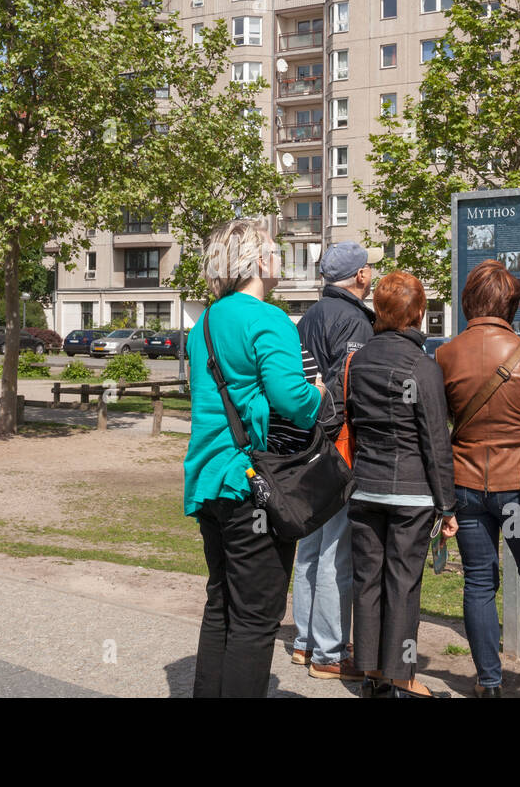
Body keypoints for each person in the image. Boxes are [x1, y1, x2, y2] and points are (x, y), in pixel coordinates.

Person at [183, 219, 326, 698]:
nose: (280, 257)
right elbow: (291, 399)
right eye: (274, 250)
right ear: (258, 262)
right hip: (251, 485)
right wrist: (320, 395)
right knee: (257, 617)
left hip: (208, 478)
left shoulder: (203, 323)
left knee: (220, 602)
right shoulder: (268, 320)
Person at [436, 260, 520, 698]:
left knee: (478, 582)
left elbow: (442, 420)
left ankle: (488, 682)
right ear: (512, 303)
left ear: (470, 301)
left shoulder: (446, 354)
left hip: (467, 483)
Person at [344, 270, 457, 697]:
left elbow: (348, 419)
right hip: (411, 492)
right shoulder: (423, 367)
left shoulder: (359, 360)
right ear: (419, 313)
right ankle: (397, 675)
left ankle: (372, 676)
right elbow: (435, 440)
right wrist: (448, 507)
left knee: (368, 581)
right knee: (404, 586)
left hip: (366, 486)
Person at [290, 240, 381, 680]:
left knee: (309, 545)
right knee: (335, 550)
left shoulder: (309, 316)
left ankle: (305, 643)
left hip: (305, 445)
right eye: (369, 270)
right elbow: (348, 390)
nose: (372, 275)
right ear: (360, 276)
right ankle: (328, 651)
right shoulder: (355, 320)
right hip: (339, 446)